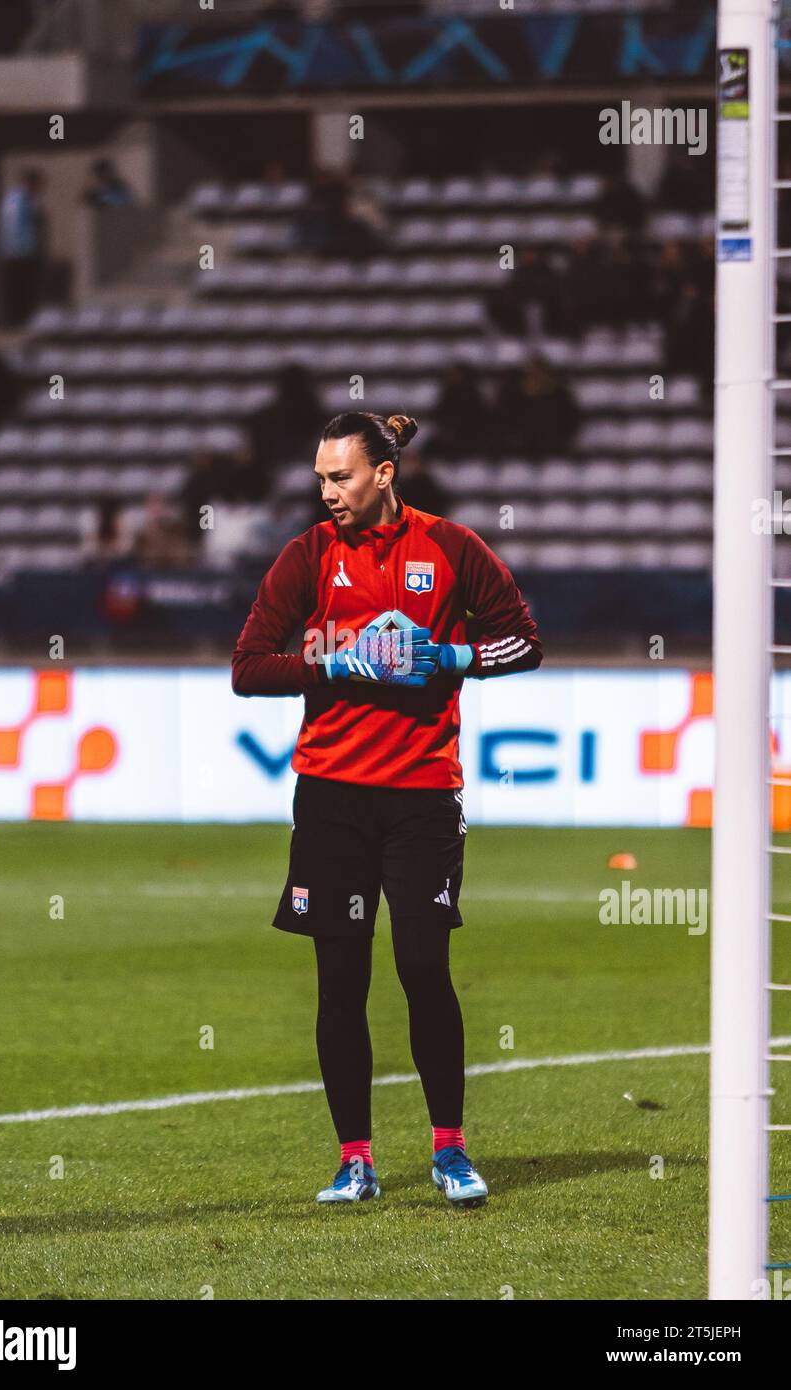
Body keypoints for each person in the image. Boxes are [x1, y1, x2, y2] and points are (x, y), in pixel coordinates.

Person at [232, 411, 542, 1207]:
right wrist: (338, 664)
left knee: (421, 967)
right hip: (332, 796)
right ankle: (355, 1161)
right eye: (320, 477)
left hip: (421, 797)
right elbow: (248, 668)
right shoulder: (307, 555)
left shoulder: (451, 548)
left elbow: (524, 643)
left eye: (340, 476)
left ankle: (450, 1150)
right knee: (341, 980)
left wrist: (453, 657)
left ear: (383, 473)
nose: (326, 491)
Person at [0, 167, 48, 327]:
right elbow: (22, 227)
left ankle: (16, 320)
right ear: (30, 182)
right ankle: (16, 321)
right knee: (21, 290)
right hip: (21, 253)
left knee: (19, 291)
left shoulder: (13, 198)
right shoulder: (23, 199)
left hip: (14, 253)